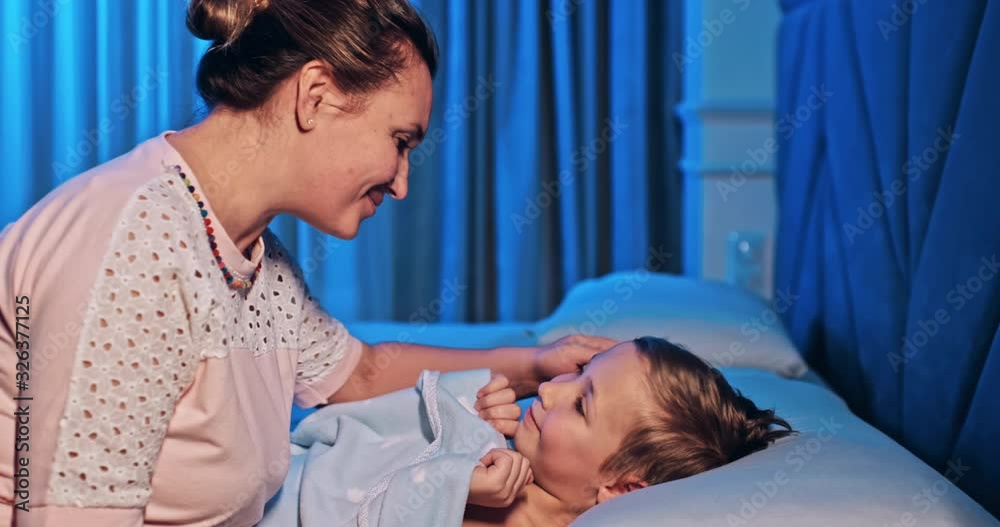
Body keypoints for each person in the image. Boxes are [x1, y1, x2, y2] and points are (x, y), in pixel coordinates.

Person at [0, 0, 613, 524]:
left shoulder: (252, 253)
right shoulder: (136, 248)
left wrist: (537, 364)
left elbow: (361, 375)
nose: (402, 184)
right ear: (315, 96)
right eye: (399, 142)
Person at [464, 337, 796, 526]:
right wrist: (464, 414)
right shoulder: (500, 451)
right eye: (580, 371)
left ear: (622, 488)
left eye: (581, 406)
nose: (550, 389)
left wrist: (455, 484)